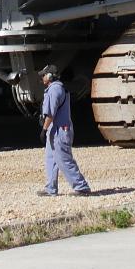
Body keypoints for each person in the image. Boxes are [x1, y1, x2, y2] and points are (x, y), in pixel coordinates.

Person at [35, 65, 90, 197]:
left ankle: (82, 187)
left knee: (64, 159)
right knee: (51, 159)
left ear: (49, 76)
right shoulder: (56, 88)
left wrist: (44, 129)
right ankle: (50, 188)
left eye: (44, 75)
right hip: (55, 130)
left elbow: (50, 114)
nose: (42, 77)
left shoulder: (55, 90)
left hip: (59, 131)